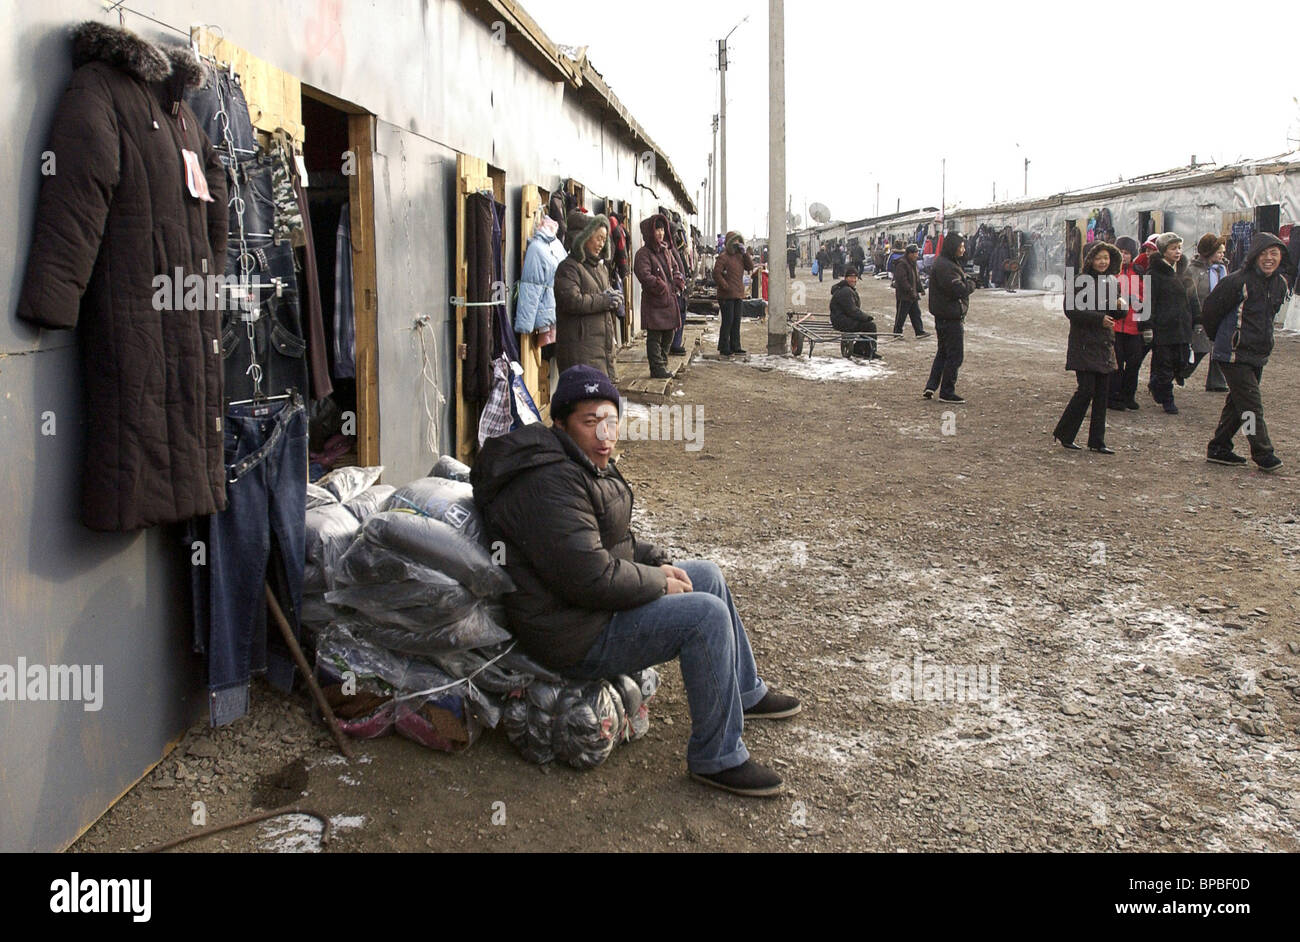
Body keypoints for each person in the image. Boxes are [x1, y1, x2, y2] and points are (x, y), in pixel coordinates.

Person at [470, 365, 802, 796]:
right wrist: (658, 582)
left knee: (705, 575)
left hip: (587, 608)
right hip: (571, 634)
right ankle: (717, 757)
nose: (604, 435)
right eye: (590, 423)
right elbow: (590, 577)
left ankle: (746, 691)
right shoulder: (547, 481)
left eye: (611, 421)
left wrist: (657, 562)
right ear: (561, 424)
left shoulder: (577, 462)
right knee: (703, 616)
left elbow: (610, 542)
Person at [1201, 232, 1288, 471]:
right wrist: (1220, 339)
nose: (1269, 258)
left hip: (1257, 354)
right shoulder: (1237, 281)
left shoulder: (1280, 283)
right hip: (1233, 354)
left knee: (1239, 403)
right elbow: (1210, 312)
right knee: (1250, 405)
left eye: (1274, 253)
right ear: (1254, 256)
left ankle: (1219, 446)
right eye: (1264, 253)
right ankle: (1262, 452)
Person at [1053, 242, 1122, 453]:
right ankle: (1065, 433)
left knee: (1102, 393)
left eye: (1106, 258)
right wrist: (1099, 319)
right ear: (1090, 259)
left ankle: (1097, 441)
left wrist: (1122, 309)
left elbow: (1113, 313)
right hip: (1083, 343)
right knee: (1086, 390)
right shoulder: (1079, 282)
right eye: (1099, 257)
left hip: (1103, 343)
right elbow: (1071, 310)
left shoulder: (1112, 282)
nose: (1103, 262)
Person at [555, 211, 620, 379]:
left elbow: (603, 297)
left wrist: (614, 300)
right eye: (598, 238)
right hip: (580, 352)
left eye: (604, 239)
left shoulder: (600, 268)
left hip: (599, 350)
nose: (601, 244)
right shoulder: (569, 268)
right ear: (583, 238)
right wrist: (604, 300)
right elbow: (571, 301)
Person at [923, 231, 976, 403]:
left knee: (943, 352)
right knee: (955, 355)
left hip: (944, 315)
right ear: (953, 247)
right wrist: (970, 285)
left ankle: (931, 386)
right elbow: (957, 289)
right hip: (949, 316)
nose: (963, 249)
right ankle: (947, 391)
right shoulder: (947, 266)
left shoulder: (946, 263)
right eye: (961, 246)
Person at [633, 213, 685, 380]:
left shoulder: (666, 250)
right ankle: (657, 368)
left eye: (662, 229)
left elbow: (676, 268)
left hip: (669, 300)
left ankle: (662, 363)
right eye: (657, 230)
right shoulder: (643, 253)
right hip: (655, 301)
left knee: (669, 333)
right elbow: (643, 274)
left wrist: (677, 281)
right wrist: (660, 285)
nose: (660, 233)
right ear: (650, 232)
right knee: (655, 336)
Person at [1144, 232, 1192, 414]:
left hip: (1181, 326)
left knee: (1180, 361)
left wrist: (1197, 320)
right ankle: (1167, 400)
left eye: (1179, 248)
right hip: (1163, 328)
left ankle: (1156, 383)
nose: (1178, 252)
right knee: (1164, 364)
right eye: (1173, 248)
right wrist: (1147, 326)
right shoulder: (1154, 274)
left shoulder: (1182, 272)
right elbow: (1149, 301)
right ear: (1163, 251)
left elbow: (1191, 298)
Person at [1182, 232, 1229, 392]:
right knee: (1200, 349)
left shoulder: (1221, 270)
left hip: (1218, 316)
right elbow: (1188, 295)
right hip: (1200, 315)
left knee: (1218, 349)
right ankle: (1182, 372)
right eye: (1219, 252)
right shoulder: (1193, 270)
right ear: (1209, 253)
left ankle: (1216, 381)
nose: (1223, 254)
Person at [1108, 237, 1146, 411]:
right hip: (1115, 325)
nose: (1123, 256)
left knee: (1134, 362)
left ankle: (1128, 395)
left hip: (1133, 325)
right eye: (1121, 252)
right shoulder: (1110, 273)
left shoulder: (1139, 273)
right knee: (1117, 362)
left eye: (1127, 252)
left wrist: (1138, 302)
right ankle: (1114, 396)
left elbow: (1146, 297)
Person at [713, 230, 752, 357]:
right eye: (734, 241)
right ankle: (724, 346)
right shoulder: (723, 257)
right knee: (728, 321)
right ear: (729, 243)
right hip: (726, 296)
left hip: (738, 294)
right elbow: (716, 273)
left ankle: (736, 346)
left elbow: (750, 266)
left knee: (736, 321)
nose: (737, 243)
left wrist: (745, 253)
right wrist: (725, 286)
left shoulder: (740, 256)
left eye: (738, 241)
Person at [829, 266, 881, 359]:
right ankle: (867, 351)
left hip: (841, 319)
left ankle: (859, 348)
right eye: (851, 277)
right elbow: (852, 310)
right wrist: (867, 317)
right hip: (841, 321)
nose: (854, 280)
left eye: (855, 277)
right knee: (870, 326)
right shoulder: (845, 291)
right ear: (846, 278)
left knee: (865, 324)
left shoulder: (845, 288)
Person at [891, 243, 928, 337]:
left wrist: (921, 289)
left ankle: (919, 332)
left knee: (916, 314)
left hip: (912, 294)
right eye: (915, 253)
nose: (916, 255)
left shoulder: (912, 263)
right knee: (901, 315)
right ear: (909, 254)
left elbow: (916, 278)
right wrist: (910, 289)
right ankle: (897, 333)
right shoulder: (902, 264)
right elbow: (902, 280)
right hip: (904, 294)